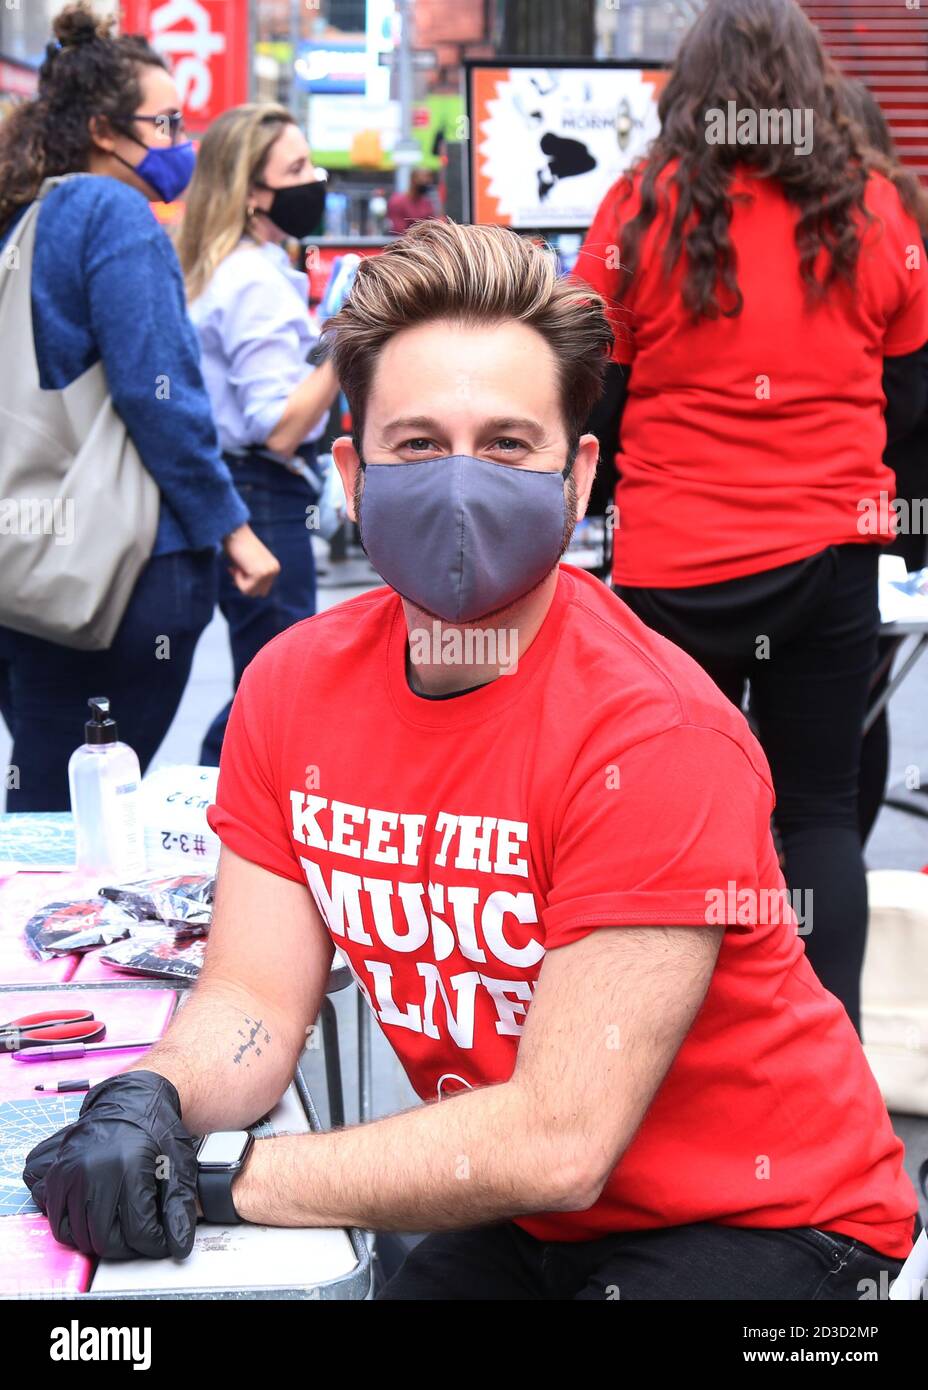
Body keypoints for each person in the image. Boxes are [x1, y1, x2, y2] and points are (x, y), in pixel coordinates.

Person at [24, 221, 917, 1301]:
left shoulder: (651, 734)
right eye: (415, 444)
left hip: (771, 1219)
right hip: (526, 1211)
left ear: (577, 476)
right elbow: (254, 999)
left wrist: (223, 1180)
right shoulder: (290, 688)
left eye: (505, 444)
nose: (458, 487)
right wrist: (151, 1099)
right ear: (351, 474)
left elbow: (558, 1137)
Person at [572, 0, 928, 1035]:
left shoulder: (640, 208)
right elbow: (910, 393)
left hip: (674, 560)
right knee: (819, 813)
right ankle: (825, 1064)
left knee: (668, 818)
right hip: (830, 552)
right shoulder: (874, 208)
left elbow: (592, 386)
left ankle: (669, 1053)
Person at [0, 3, 278, 810]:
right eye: (164, 123)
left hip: (30, 559)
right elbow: (158, 391)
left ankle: (41, 926)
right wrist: (232, 528)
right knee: (81, 801)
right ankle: (54, 934)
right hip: (124, 570)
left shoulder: (24, 214)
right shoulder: (111, 211)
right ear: (101, 128)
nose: (178, 141)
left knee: (50, 787)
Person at [175, 104, 340, 766]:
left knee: (270, 676)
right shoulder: (250, 278)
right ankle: (218, 811)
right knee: (281, 683)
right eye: (296, 168)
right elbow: (280, 426)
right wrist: (347, 342)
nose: (315, 179)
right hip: (262, 491)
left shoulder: (240, 266)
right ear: (251, 193)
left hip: (248, 489)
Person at [838, 80, 928, 843]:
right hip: (891, 536)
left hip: (861, 531)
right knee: (851, 718)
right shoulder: (900, 227)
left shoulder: (856, 237)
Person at [385, 169, 439, 235]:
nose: (426, 182)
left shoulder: (426, 203)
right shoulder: (397, 201)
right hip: (404, 242)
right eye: (422, 179)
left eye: (428, 180)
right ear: (412, 180)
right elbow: (399, 231)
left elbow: (433, 226)